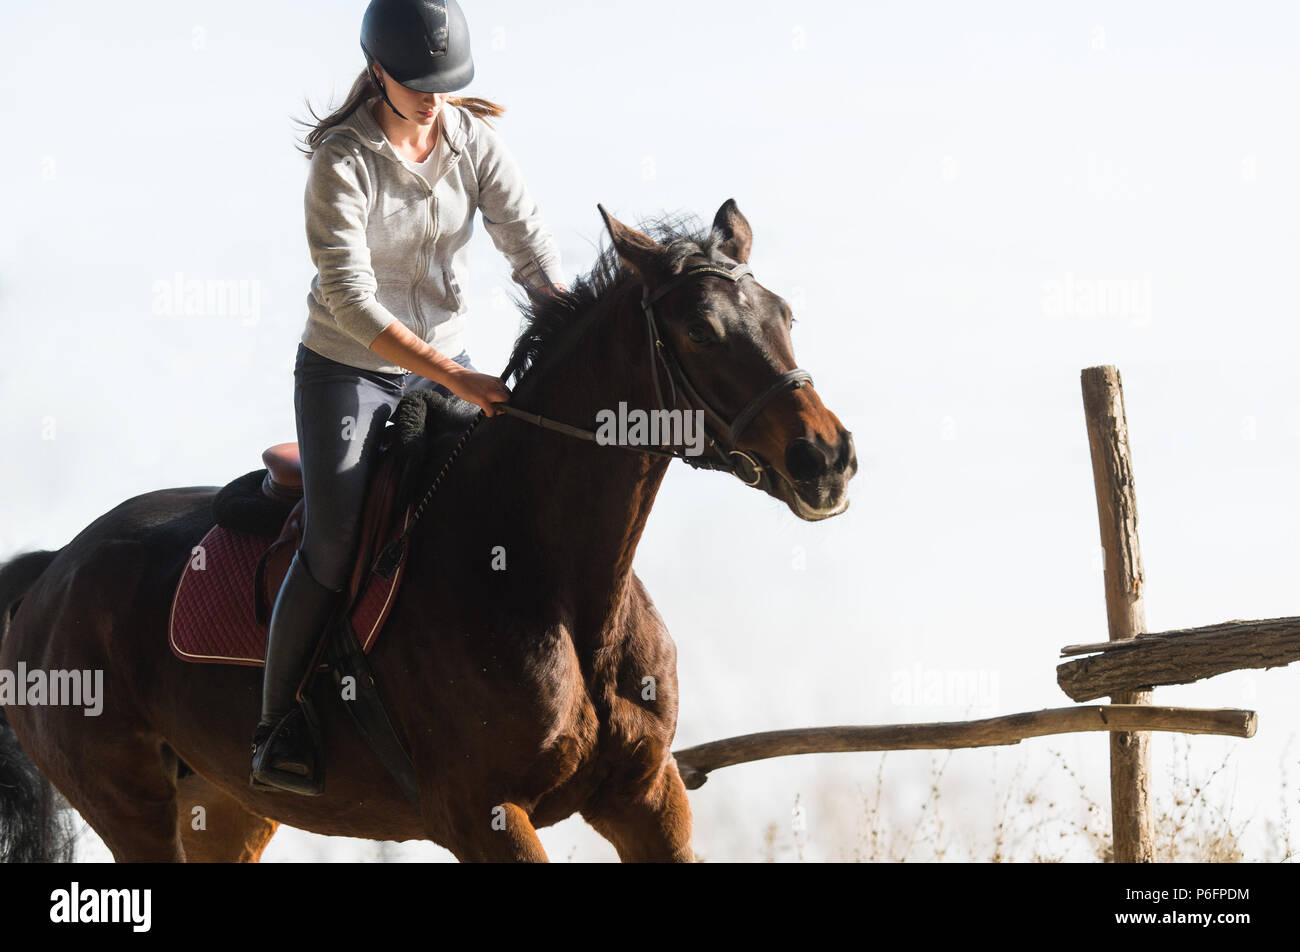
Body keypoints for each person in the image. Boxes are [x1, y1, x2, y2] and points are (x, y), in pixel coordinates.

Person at [251, 0, 567, 795]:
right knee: (335, 539)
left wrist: (565, 320)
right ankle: (276, 721)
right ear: (378, 71)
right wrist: (456, 377)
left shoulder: (473, 141)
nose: (434, 97)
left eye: (446, 82)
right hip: (346, 369)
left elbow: (528, 244)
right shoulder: (341, 163)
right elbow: (354, 304)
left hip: (446, 361)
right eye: (418, 82)